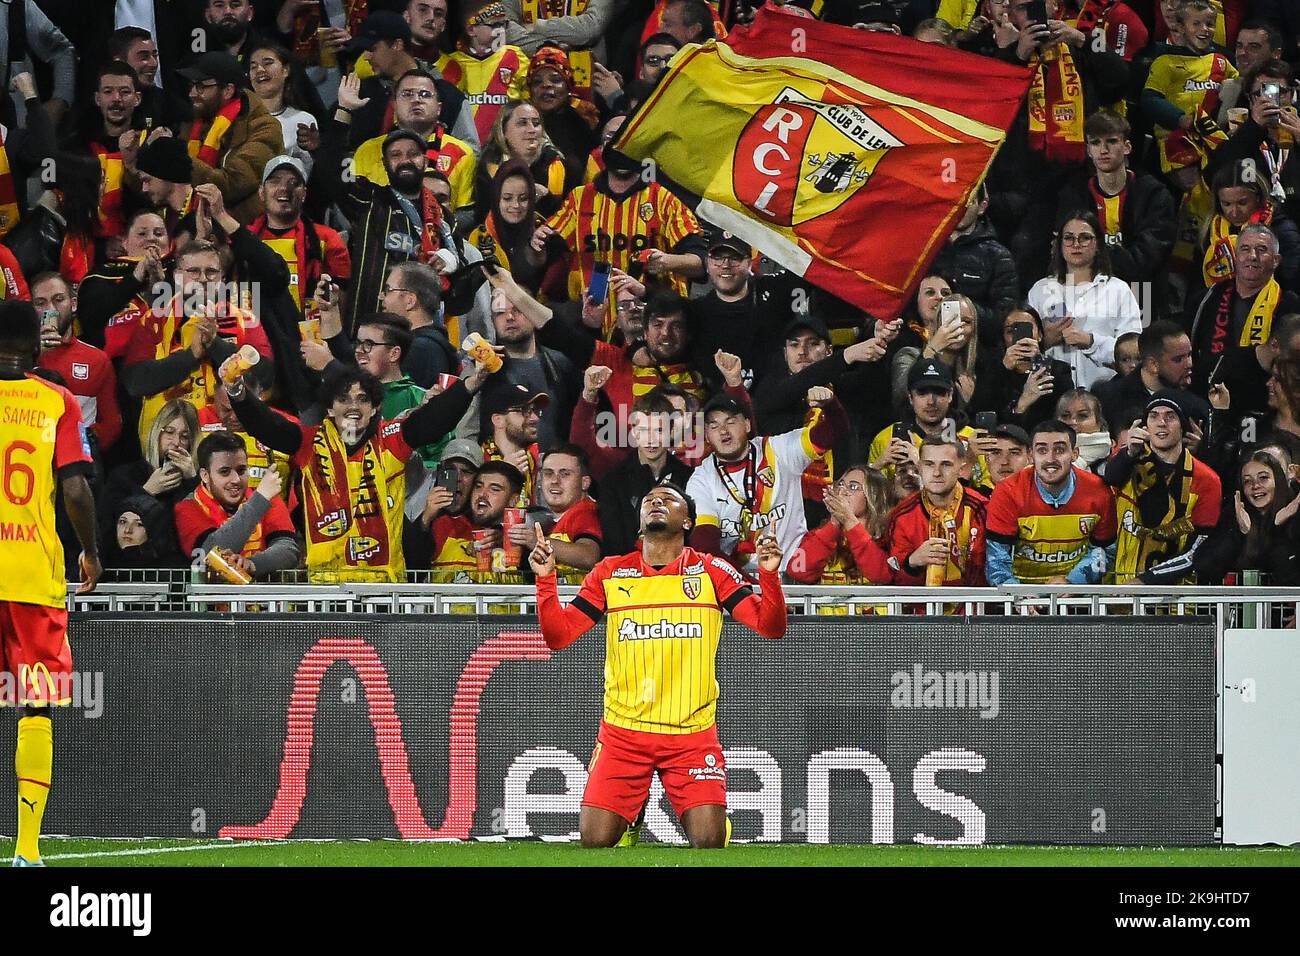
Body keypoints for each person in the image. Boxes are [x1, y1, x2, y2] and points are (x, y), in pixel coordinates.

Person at [531, 479, 786, 849]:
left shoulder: (711, 572)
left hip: (691, 734)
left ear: (687, 522)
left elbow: (770, 627)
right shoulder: (610, 572)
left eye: (669, 499)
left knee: (709, 844)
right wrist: (546, 582)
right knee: (594, 841)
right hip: (623, 734)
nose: (656, 501)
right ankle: (631, 815)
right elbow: (560, 636)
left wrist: (769, 574)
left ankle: (703, 820)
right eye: (649, 499)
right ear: (639, 522)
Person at [226, 360, 490, 582]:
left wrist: (471, 383)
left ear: (375, 407)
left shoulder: (393, 440)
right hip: (326, 586)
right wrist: (238, 392)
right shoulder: (308, 443)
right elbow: (266, 424)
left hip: (384, 587)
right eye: (343, 399)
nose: (353, 406)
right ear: (330, 408)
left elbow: (435, 418)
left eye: (362, 399)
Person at [0, 298, 100, 868]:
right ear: (38, 349)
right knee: (33, 708)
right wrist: (89, 552)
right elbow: (78, 489)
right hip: (33, 575)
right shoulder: (55, 400)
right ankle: (27, 850)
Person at [531, 146, 706, 339]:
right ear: (602, 150)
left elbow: (700, 264)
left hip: (657, 330)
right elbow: (541, 258)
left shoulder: (664, 199)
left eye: (629, 142)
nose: (622, 149)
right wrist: (538, 242)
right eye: (615, 141)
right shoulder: (579, 199)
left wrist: (667, 261)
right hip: (595, 327)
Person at [119, 238, 274, 448]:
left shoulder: (245, 320)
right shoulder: (154, 319)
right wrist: (191, 356)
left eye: (211, 272)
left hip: (229, 443)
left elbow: (265, 375)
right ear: (177, 275)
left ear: (222, 278)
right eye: (193, 271)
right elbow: (135, 383)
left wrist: (215, 345)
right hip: (170, 442)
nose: (202, 279)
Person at [687, 386, 848, 576]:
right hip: (738, 583)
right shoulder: (702, 478)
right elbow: (705, 546)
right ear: (706, 435)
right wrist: (749, 587)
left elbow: (836, 428)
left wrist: (830, 405)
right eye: (714, 426)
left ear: (747, 425)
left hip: (791, 576)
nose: (723, 431)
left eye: (731, 422)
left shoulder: (778, 450)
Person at [1098, 391, 1223, 584]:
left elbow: (1197, 550)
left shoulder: (1207, 480)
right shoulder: (1127, 461)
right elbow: (1111, 478)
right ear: (1145, 424)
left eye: (1170, 416)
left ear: (1183, 426)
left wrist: (1146, 581)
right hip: (1122, 594)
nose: (1161, 422)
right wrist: (1129, 452)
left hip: (1180, 600)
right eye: (1154, 416)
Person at [1056, 110, 1176, 294]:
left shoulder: (1154, 195)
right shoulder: (1073, 195)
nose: (1103, 150)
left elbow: (1146, 261)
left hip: (1140, 291)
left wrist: (1091, 255)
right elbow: (1062, 255)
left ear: (1127, 147)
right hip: (1085, 290)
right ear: (1088, 150)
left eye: (1111, 141)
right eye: (1095, 143)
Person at [984, 419, 1116, 585]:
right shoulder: (1007, 492)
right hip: (1019, 595)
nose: (1050, 458)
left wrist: (1072, 582)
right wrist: (1021, 598)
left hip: (1076, 596)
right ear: (1031, 456)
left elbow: (1106, 551)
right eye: (1042, 450)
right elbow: (996, 562)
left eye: (1060, 450)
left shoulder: (1099, 491)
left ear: (1075, 454)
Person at [1027, 211, 1142, 391]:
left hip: (1105, 392)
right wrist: (1045, 340)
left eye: (1085, 238)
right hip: (1051, 393)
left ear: (1097, 244)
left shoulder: (1118, 290)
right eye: (1069, 238)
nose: (1076, 244)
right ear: (1059, 244)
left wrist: (1091, 342)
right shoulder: (1040, 290)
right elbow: (1022, 349)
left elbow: (1133, 351)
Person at [1186, 223, 1300, 393]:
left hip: (1263, 398)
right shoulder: (1206, 299)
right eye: (1245, 249)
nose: (1253, 256)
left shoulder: (1289, 304)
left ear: (1276, 260)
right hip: (1207, 393)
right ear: (1235, 256)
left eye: (1262, 250)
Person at [350, 69, 478, 219]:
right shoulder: (367, 150)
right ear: (395, 106)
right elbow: (353, 205)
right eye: (407, 94)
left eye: (425, 94)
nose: (416, 99)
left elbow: (465, 214)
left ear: (439, 108)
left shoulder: (462, 153)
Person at [176, 50, 285, 224]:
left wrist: (179, 157)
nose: (192, 93)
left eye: (201, 87)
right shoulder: (193, 124)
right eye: (192, 86)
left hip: (240, 231)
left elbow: (231, 185)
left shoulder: (264, 128)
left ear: (227, 90)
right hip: (194, 225)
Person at [173, 430, 301, 578]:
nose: (236, 480)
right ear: (205, 475)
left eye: (241, 470)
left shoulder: (267, 498)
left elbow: (289, 550)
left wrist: (252, 564)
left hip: (262, 598)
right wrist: (259, 502)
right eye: (225, 472)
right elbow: (209, 555)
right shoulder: (189, 507)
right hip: (213, 600)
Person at [595, 389, 695, 556]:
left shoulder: (689, 477)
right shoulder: (613, 481)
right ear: (634, 433)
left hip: (677, 571)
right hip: (628, 573)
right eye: (643, 431)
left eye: (659, 431)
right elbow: (613, 542)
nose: (651, 439)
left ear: (671, 432)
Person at [33, 273, 122, 455]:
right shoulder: (14, 355)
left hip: (76, 464)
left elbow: (112, 423)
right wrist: (32, 356)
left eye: (58, 300)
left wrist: (83, 447)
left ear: (73, 304)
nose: (51, 309)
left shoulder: (96, 360)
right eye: (40, 303)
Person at [249, 155, 352, 312]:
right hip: (255, 331)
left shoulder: (327, 238)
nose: (284, 188)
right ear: (261, 192)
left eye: (293, 183)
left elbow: (339, 303)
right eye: (275, 181)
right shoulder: (244, 239)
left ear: (304, 194)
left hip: (308, 333)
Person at [885, 436, 988, 587]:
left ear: (961, 469)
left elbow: (987, 572)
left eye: (946, 465)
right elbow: (894, 577)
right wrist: (912, 562)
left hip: (972, 607)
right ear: (919, 468)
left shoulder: (981, 509)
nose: (936, 473)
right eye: (929, 464)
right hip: (921, 608)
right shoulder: (901, 515)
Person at [1207, 60, 1300, 223]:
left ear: (1292, 95)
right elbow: (1214, 177)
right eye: (1260, 94)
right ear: (1250, 101)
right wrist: (1253, 128)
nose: (1271, 101)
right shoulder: (1240, 138)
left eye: (1280, 92)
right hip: (1253, 232)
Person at [930, 183, 1020, 347]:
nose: (959, 207)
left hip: (979, 352)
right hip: (926, 341)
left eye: (967, 201)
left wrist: (961, 310)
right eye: (954, 200)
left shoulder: (998, 257)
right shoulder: (926, 250)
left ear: (982, 206)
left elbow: (1005, 317)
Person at [1094, 320, 1211, 438]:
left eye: (1189, 355)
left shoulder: (1199, 400)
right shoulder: (1109, 399)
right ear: (1153, 364)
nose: (1189, 364)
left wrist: (1200, 449)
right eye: (1178, 359)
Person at [969, 306, 1074, 431]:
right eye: (1010, 331)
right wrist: (1003, 370)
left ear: (1040, 335)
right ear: (1003, 337)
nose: (1019, 337)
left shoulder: (1058, 371)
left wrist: (1039, 363)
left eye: (1027, 328)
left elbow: (1061, 420)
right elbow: (980, 415)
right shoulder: (991, 372)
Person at [440, 1, 531, 145]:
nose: (501, 31)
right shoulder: (450, 64)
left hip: (507, 149)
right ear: (471, 29)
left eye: (504, 24)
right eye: (494, 25)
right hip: (464, 150)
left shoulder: (516, 57)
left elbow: (529, 104)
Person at [786, 465, 894, 585]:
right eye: (841, 485)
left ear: (874, 496)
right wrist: (834, 524)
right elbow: (797, 571)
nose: (842, 491)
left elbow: (882, 575)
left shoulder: (888, 538)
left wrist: (850, 522)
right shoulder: (819, 535)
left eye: (853, 487)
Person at [427, 460, 527, 581]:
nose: (482, 494)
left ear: (514, 500)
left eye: (494, 489)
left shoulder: (524, 537)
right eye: (478, 486)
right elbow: (413, 559)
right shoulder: (446, 526)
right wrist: (425, 518)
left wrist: (505, 538)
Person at [518, 444, 603, 583]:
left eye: (565, 474)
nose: (555, 481)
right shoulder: (549, 518)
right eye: (548, 473)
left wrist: (537, 542)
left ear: (585, 483)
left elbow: (588, 556)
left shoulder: (585, 512)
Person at [475, 99, 570, 222]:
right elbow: (483, 216)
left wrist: (547, 197)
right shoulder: (490, 165)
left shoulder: (558, 164)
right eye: (522, 123)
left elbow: (567, 216)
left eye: (536, 123)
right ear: (504, 131)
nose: (532, 130)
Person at [466, 161, 552, 293]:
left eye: (523, 199)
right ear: (496, 199)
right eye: (507, 198)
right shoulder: (477, 238)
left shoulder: (544, 229)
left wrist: (538, 252)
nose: (516, 205)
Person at [381, 262, 458, 385]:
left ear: (410, 301)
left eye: (388, 290)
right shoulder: (429, 344)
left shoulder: (418, 349)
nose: (381, 296)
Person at [247, 43, 318, 177]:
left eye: (267, 63)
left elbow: (304, 173)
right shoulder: (238, 119)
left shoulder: (303, 120)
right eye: (253, 66)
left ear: (285, 70)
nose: (260, 70)